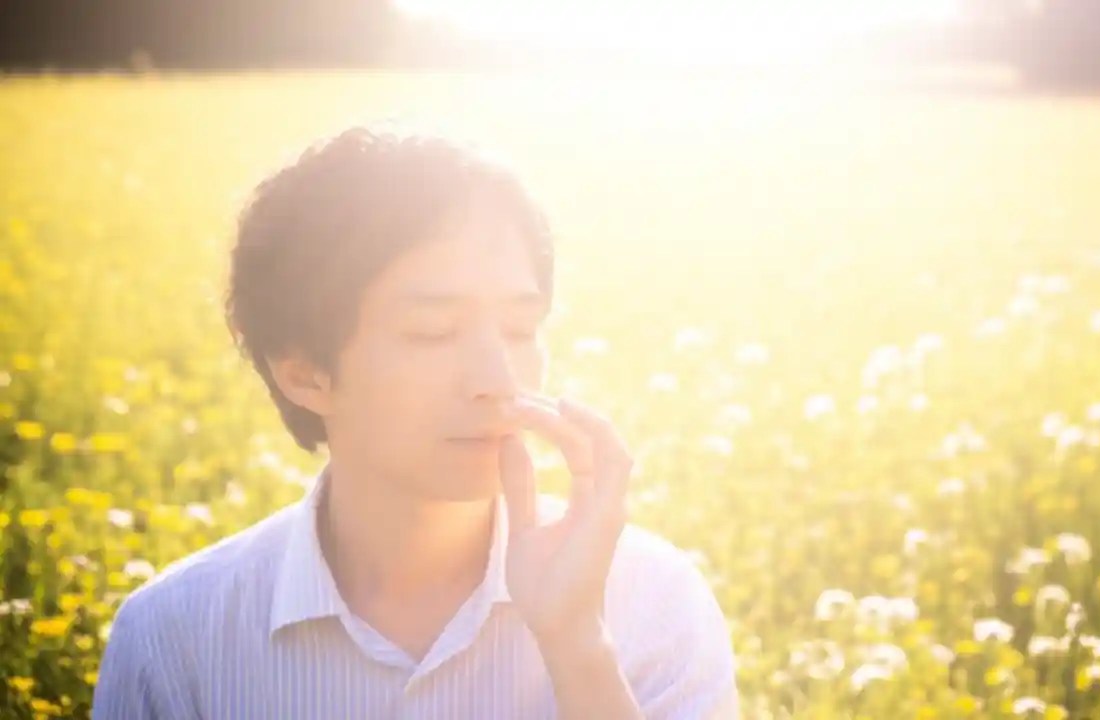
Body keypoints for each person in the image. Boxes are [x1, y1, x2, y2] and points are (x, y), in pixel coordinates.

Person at [91, 124, 739, 719]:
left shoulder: (655, 604)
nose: (497, 379)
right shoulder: (176, 637)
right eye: (432, 332)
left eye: (519, 328)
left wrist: (577, 645)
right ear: (304, 371)